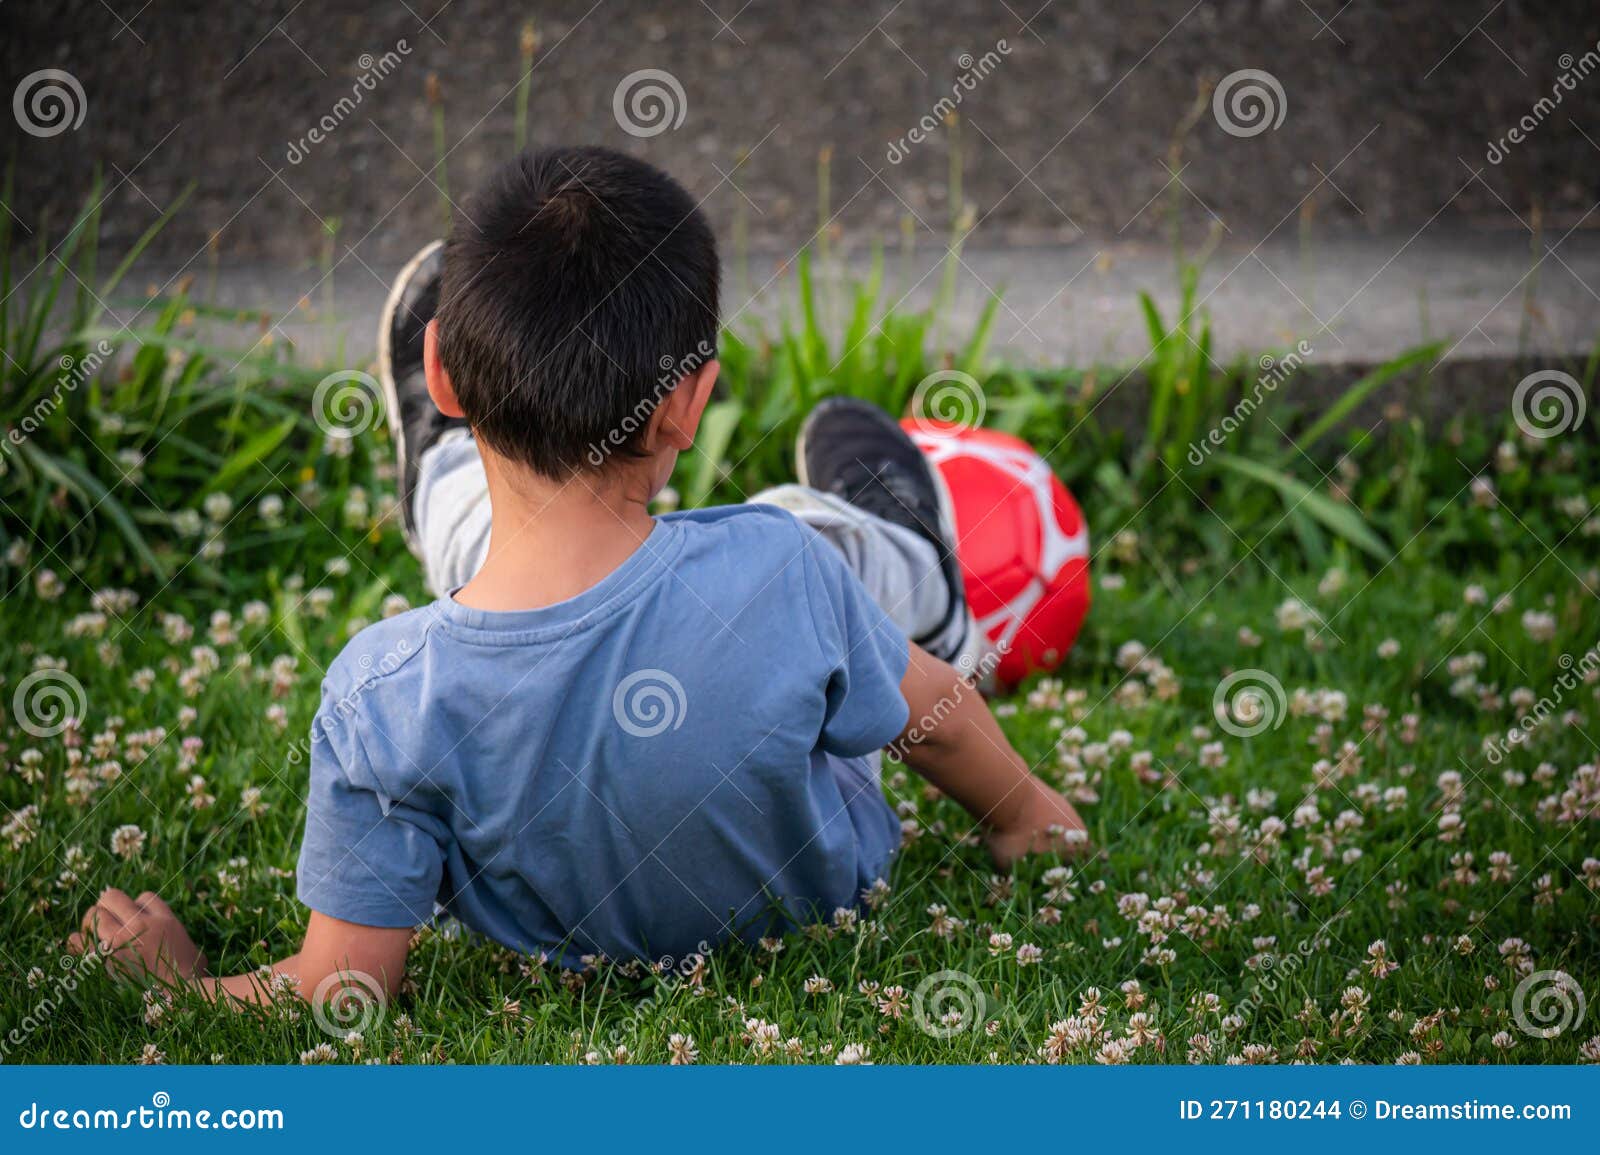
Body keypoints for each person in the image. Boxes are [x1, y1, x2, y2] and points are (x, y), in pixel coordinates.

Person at [71, 147, 1088, 1004]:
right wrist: (1026, 816)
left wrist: (182, 985)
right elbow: (941, 718)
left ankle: (444, 473)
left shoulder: (382, 693)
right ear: (691, 406)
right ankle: (900, 553)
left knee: (497, 575)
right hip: (823, 901)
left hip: (568, 951)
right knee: (794, 533)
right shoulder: (778, 571)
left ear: (441, 372)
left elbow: (345, 986)